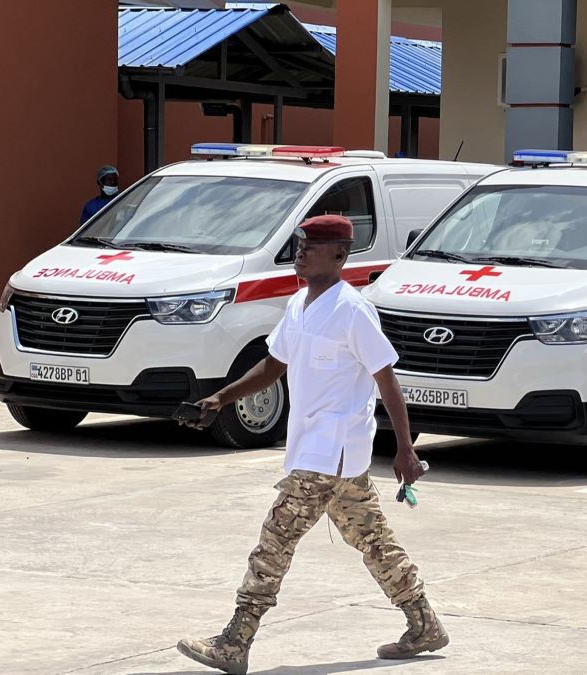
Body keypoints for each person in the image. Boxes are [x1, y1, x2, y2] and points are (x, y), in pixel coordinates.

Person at [175, 215, 447, 675]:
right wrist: (220, 399)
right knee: (373, 540)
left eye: (312, 246)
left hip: (332, 449)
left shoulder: (352, 310)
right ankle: (424, 624)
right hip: (318, 451)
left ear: (340, 255)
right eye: (299, 244)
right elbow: (273, 365)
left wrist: (405, 449)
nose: (300, 252)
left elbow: (387, 379)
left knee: (275, 540)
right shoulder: (300, 304)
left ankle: (235, 641)